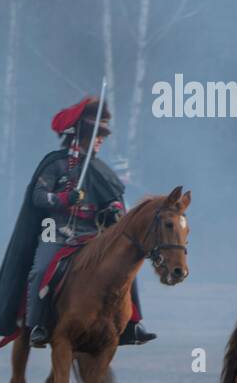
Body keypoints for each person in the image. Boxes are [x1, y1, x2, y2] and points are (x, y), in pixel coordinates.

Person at [0, 96, 154, 349]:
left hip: (92, 234)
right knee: (40, 271)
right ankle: (38, 325)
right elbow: (37, 197)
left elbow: (113, 202)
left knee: (126, 265)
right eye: (97, 136)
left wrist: (115, 209)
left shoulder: (102, 170)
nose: (100, 141)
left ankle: (131, 324)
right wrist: (63, 198)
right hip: (56, 232)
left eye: (102, 137)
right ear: (80, 136)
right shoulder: (56, 163)